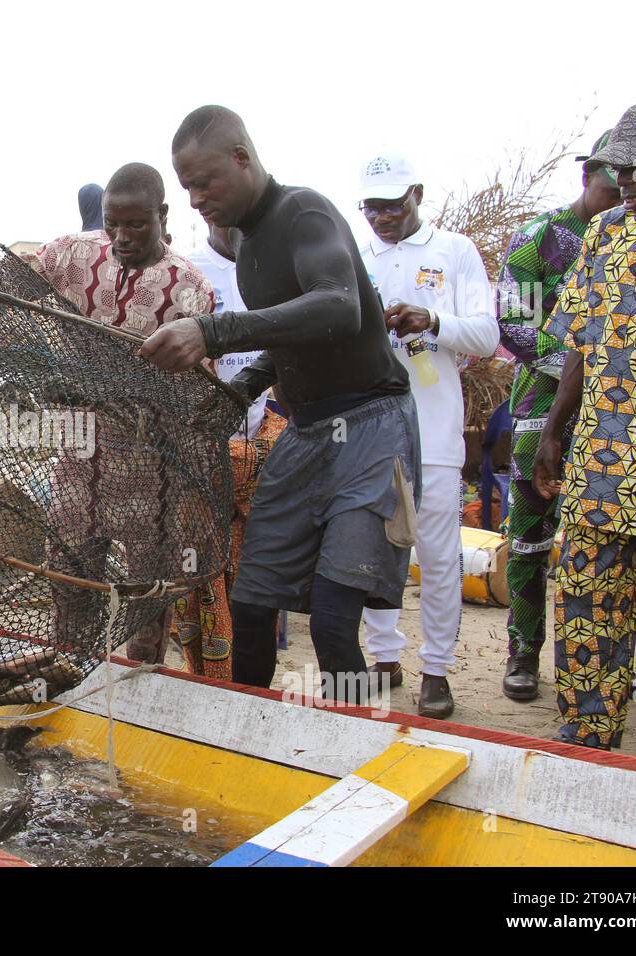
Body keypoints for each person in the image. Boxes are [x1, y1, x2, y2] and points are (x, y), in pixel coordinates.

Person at [139, 105, 417, 704]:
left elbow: (339, 306)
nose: (194, 199)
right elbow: (293, 336)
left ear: (242, 158)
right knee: (253, 601)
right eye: (186, 187)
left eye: (204, 181)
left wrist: (213, 332)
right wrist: (246, 385)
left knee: (333, 619)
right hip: (306, 429)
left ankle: (351, 742)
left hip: (369, 425)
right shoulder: (246, 240)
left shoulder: (305, 213)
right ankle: (249, 738)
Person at [533, 98, 636, 763]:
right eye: (613, 166)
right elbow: (580, 340)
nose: (622, 178)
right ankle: (588, 740)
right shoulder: (607, 235)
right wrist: (554, 428)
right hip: (603, 455)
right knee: (587, 606)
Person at [33, 162, 215, 664]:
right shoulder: (72, 253)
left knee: (146, 583)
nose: (122, 235)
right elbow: (13, 281)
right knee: (69, 562)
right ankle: (70, 663)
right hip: (77, 444)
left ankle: (144, 672)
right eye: (114, 223)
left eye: (137, 224)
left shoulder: (188, 289)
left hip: (147, 457)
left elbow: (199, 390)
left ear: (163, 215)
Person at [355, 153, 498, 718]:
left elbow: (487, 335)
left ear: (416, 193)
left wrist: (431, 320)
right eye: (372, 206)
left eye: (393, 203)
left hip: (434, 432)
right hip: (369, 429)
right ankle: (384, 659)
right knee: (373, 551)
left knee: (438, 556)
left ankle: (436, 670)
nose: (383, 216)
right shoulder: (357, 254)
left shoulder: (454, 251)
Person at [494, 135, 619, 702]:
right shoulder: (538, 240)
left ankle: (597, 670)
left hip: (622, 422)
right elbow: (515, 327)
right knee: (528, 538)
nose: (621, 197)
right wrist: (589, 366)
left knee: (602, 544)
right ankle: (524, 649)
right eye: (610, 185)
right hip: (537, 413)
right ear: (588, 175)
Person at [178, 223, 286, 678]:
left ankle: (250, 693)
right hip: (201, 450)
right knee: (200, 583)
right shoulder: (190, 274)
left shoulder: (279, 272)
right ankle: (207, 682)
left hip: (264, 448)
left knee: (256, 589)